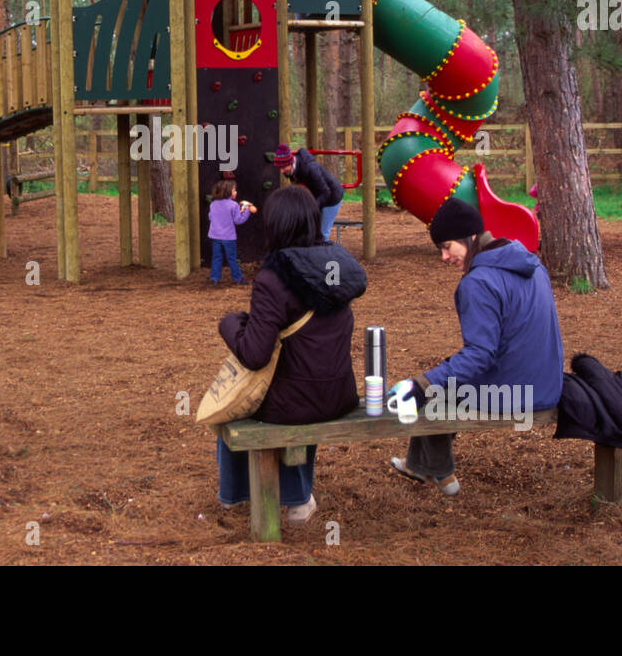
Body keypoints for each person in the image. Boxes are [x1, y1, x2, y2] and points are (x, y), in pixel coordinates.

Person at [389, 197, 563, 496]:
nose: (444, 257)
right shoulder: (532, 265)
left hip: (513, 394)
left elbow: (480, 357)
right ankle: (419, 465)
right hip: (547, 384)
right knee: (442, 378)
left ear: (470, 238)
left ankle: (442, 473)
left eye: (447, 247)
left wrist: (421, 384)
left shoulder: (477, 282)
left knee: (433, 389)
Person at [215, 185, 366, 524]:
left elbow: (254, 354)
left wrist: (230, 324)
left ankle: (235, 495)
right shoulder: (336, 264)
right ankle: (298, 499)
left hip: (296, 402)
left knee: (236, 402)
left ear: (276, 225)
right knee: (299, 384)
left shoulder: (274, 277)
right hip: (340, 394)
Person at [272, 143, 343, 243]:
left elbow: (326, 192)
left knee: (322, 234)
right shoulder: (290, 169)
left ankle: (322, 256)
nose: (281, 171)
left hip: (332, 197)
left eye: (283, 167)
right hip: (318, 195)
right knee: (312, 231)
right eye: (280, 168)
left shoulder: (311, 168)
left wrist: (312, 207)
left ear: (290, 162)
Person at [207, 179, 253, 286]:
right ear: (227, 192)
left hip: (215, 236)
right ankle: (238, 279)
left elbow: (211, 217)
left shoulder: (213, 204)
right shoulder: (234, 205)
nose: (236, 192)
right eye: (234, 190)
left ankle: (214, 278)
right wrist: (246, 211)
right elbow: (238, 220)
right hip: (228, 238)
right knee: (231, 258)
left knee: (216, 257)